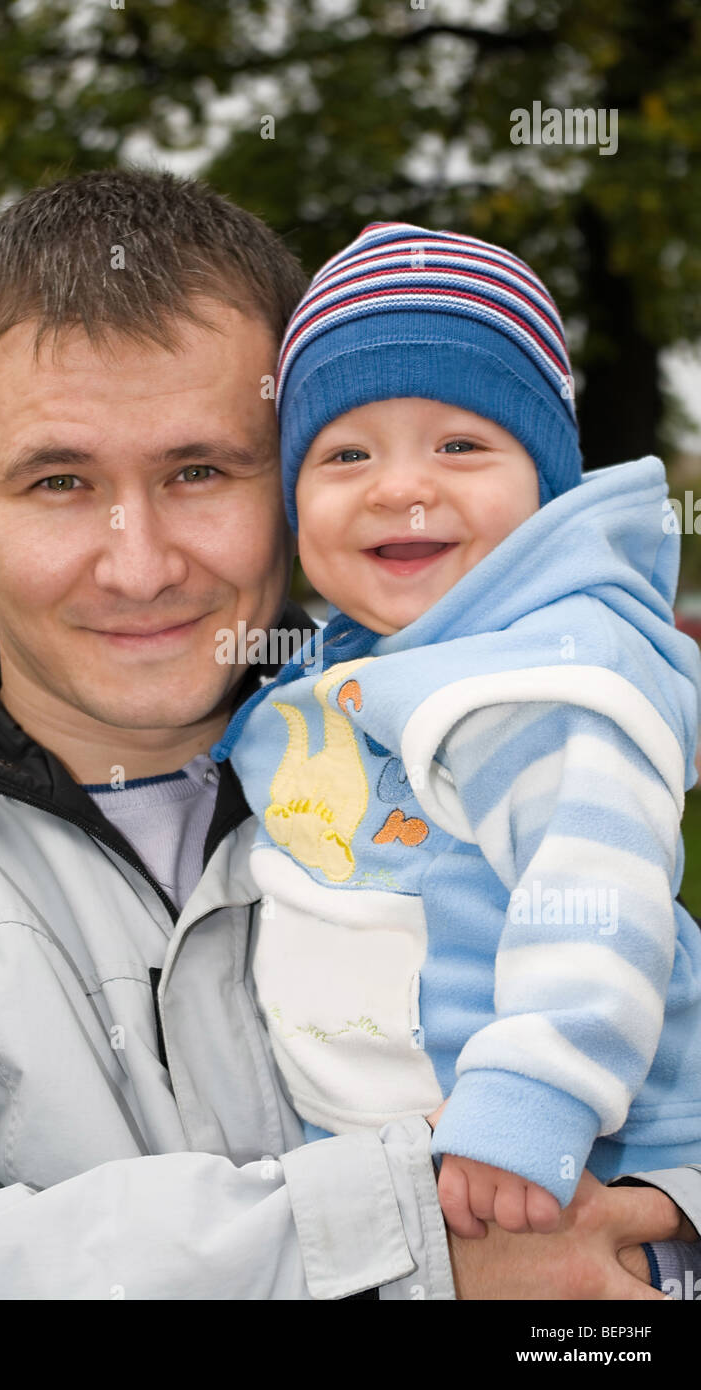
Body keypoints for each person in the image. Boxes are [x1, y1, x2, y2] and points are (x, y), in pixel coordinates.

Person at [0, 169, 695, 1300]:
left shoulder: (456, 736)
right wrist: (419, 1236)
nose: (138, 562)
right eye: (58, 480)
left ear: (288, 474)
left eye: (200, 471)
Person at [212, 220, 701, 1272]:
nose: (400, 486)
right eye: (347, 453)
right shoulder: (364, 669)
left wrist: (530, 1098)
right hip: (409, 1185)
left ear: (545, 483)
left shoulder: (549, 678)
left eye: (460, 444)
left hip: (576, 1171)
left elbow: (596, 892)